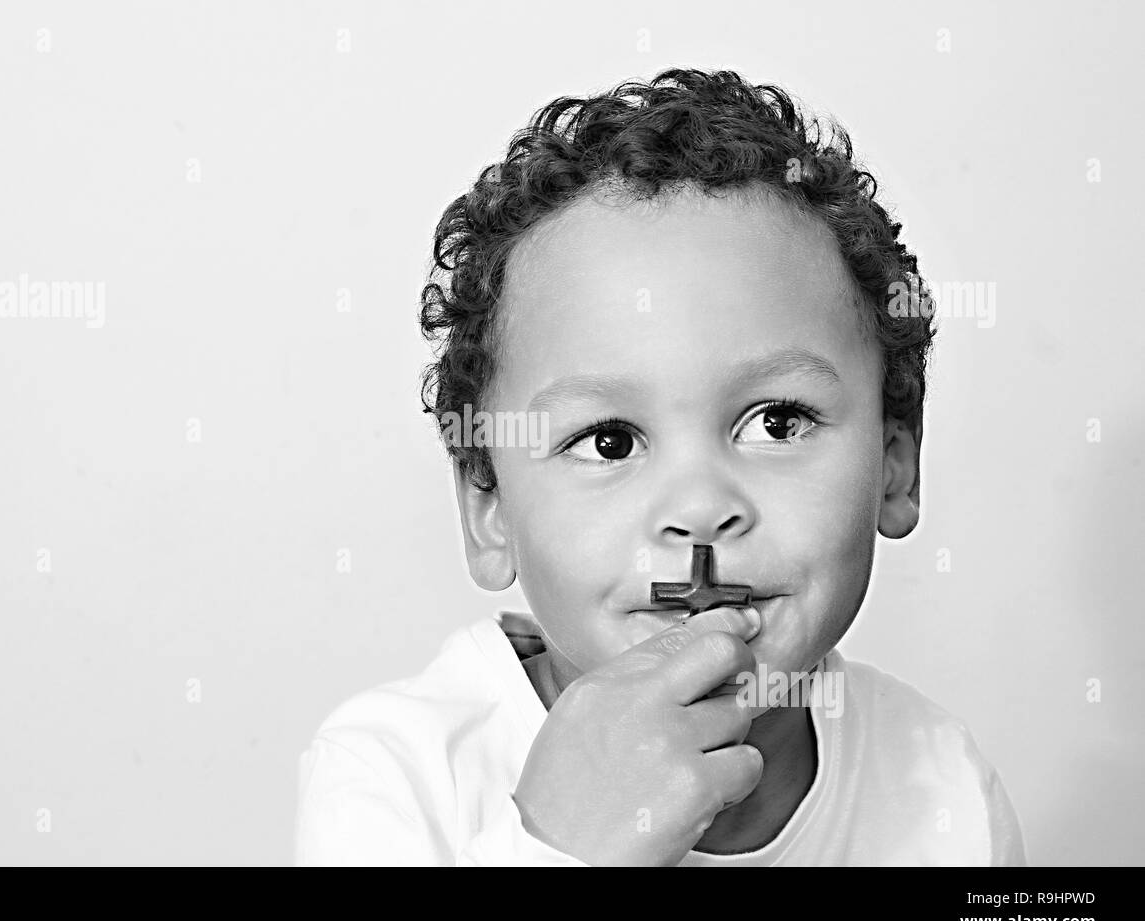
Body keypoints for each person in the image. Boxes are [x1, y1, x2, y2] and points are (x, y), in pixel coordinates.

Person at [294, 68, 1026, 866]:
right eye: (609, 441)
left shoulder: (944, 791)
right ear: (488, 510)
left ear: (895, 465)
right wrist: (563, 847)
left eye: (777, 422)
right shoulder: (395, 778)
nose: (701, 510)